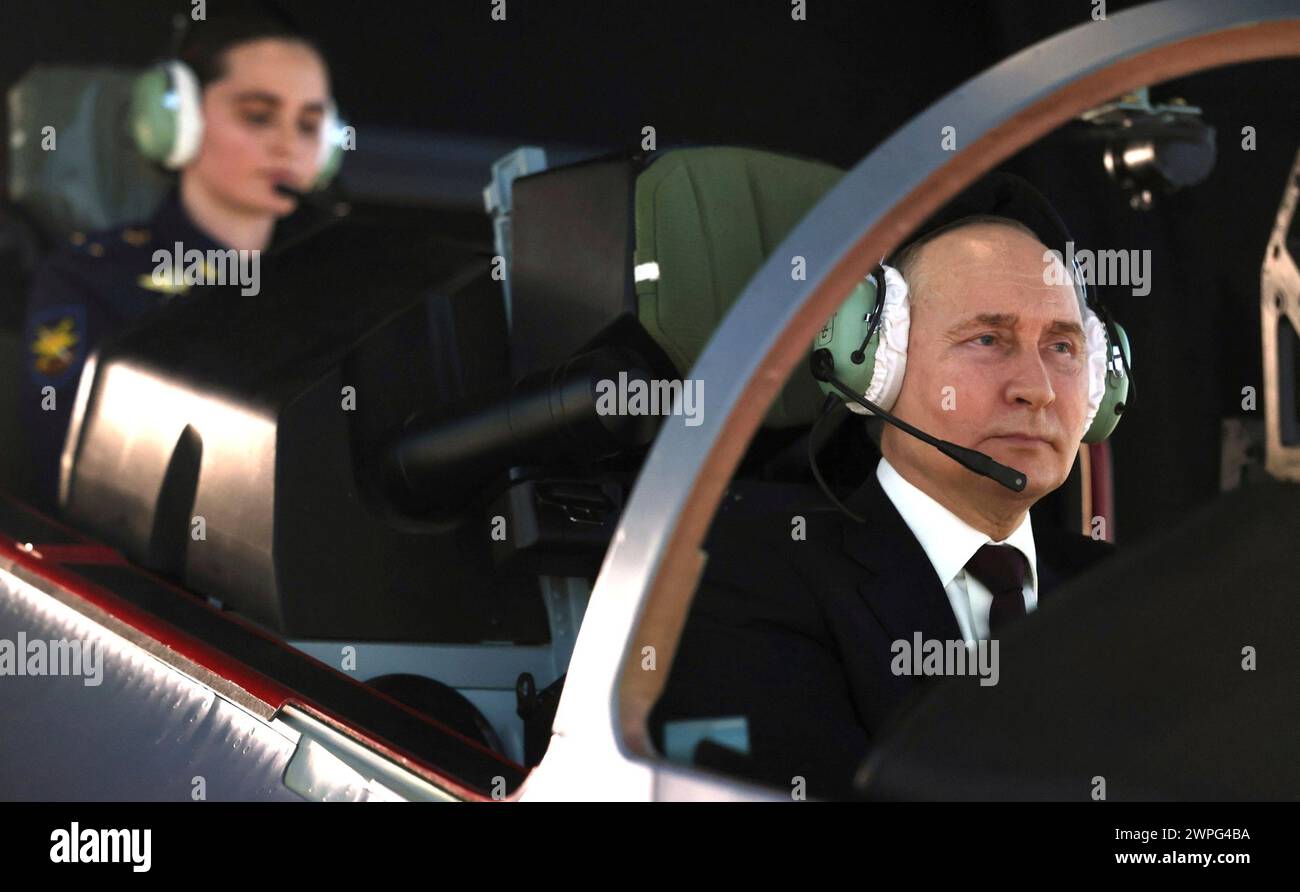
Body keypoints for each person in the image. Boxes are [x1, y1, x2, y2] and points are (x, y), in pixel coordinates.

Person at [649, 212, 1118, 799]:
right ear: (875, 362)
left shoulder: (1129, 593)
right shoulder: (748, 573)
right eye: (988, 340)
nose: (1038, 387)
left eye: (1062, 346)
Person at [20, 10, 335, 510]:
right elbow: (63, 479)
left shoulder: (342, 280)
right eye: (257, 115)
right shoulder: (90, 278)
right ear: (174, 121)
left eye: (310, 123)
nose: (288, 144)